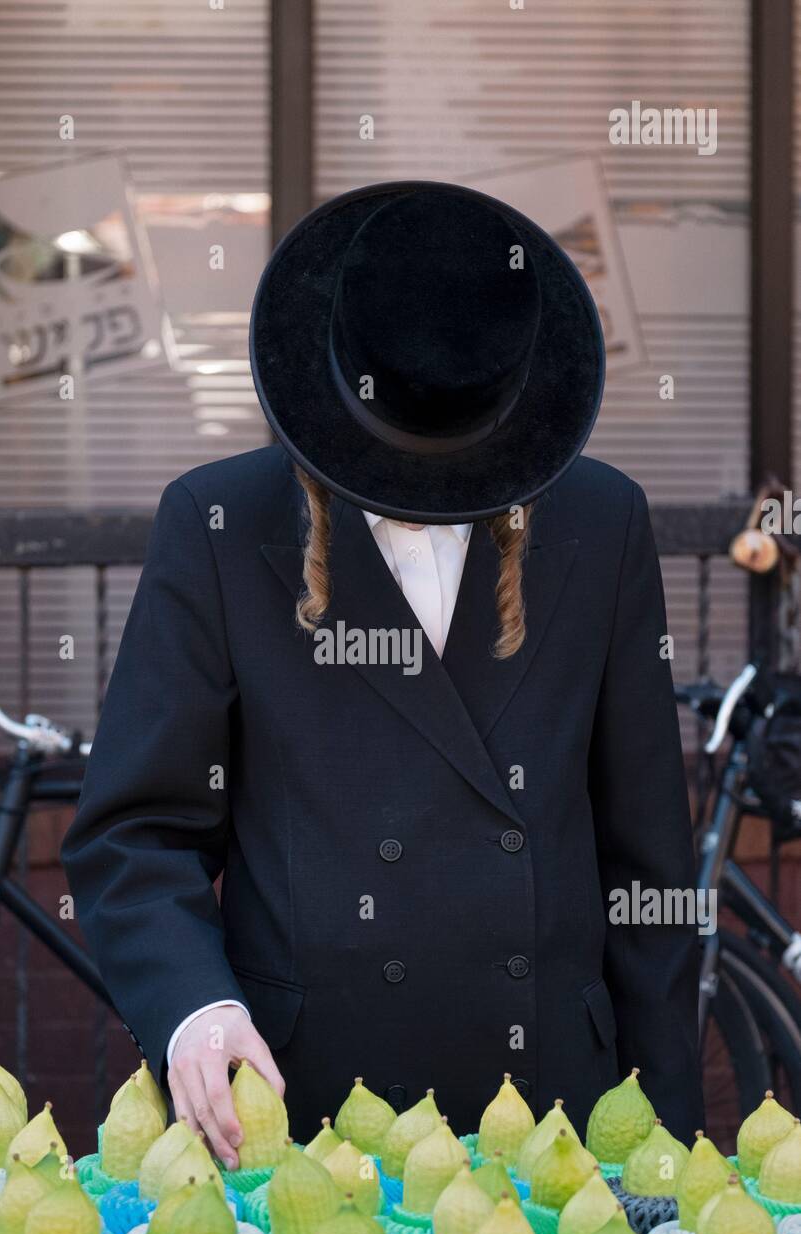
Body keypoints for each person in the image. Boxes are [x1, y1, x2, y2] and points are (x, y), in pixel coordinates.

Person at [61, 181, 703, 1167]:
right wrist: (193, 1007)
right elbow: (136, 834)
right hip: (304, 1111)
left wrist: (664, 1145)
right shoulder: (219, 527)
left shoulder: (602, 522)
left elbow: (646, 863)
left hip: (555, 1126)